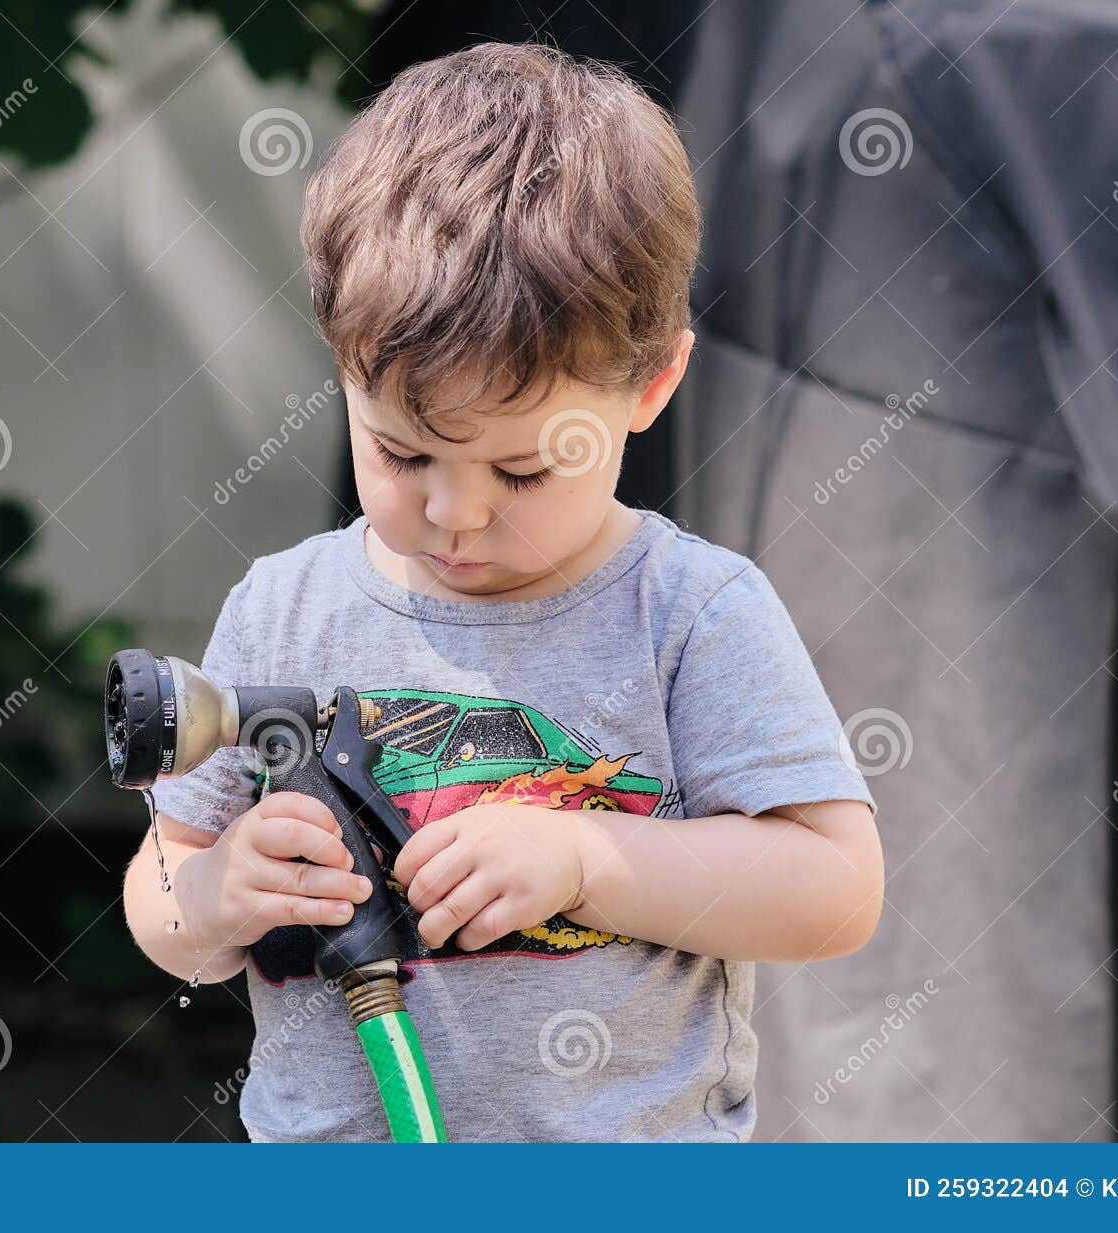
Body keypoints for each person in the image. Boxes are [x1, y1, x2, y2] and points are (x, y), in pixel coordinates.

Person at [123, 42, 882, 1142]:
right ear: (340, 367)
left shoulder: (688, 614)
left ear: (650, 384)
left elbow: (832, 891)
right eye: (399, 454)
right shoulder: (282, 609)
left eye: (522, 470)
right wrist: (215, 899)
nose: (454, 514)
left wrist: (584, 860)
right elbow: (166, 884)